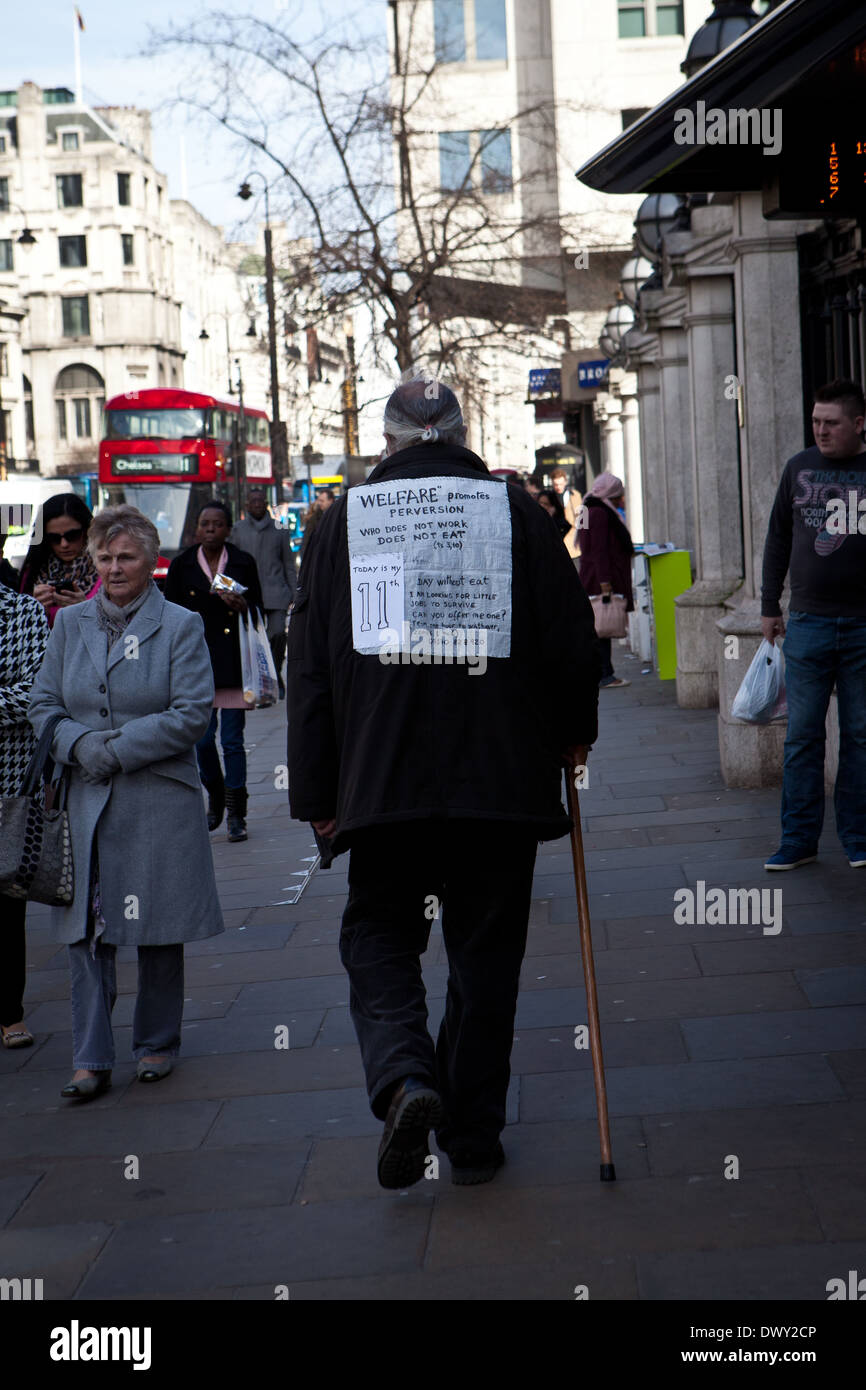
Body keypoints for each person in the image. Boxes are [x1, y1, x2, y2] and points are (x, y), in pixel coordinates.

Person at [287, 377, 600, 1189]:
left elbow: (310, 670)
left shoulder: (341, 524)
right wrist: (573, 736)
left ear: (389, 442)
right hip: (499, 780)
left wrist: (316, 796)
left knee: (379, 934)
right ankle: (472, 1136)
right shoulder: (519, 515)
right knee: (485, 955)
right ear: (461, 435)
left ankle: (406, 1077)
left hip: (384, 781)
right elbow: (571, 645)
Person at [27, 505, 223, 1099]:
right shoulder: (70, 625)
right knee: (87, 934)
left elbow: (192, 714)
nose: (113, 567)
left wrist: (111, 750)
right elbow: (42, 706)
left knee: (159, 928)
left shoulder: (182, 625)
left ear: (150, 561)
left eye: (126, 557)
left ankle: (157, 1043)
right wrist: (79, 743)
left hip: (158, 800)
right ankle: (90, 1057)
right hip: (86, 803)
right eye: (104, 557)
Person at [761, 378, 866, 872]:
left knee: (860, 735)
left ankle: (858, 837)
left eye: (832, 423)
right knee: (802, 735)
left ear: (859, 424)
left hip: (864, 626)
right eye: (816, 422)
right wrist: (768, 605)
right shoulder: (799, 468)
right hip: (807, 621)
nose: (821, 431)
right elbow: (778, 536)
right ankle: (798, 840)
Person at [163, 500, 265, 843]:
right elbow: (169, 614)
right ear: (196, 528)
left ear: (227, 529)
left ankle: (237, 813)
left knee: (232, 741)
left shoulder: (241, 562)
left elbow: (259, 609)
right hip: (196, 665)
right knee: (202, 742)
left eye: (217, 524)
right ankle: (217, 793)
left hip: (234, 663)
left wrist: (243, 605)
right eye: (205, 523)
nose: (210, 529)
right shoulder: (181, 566)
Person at [0, 527, 50, 1048]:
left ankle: (9, 1012)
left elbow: (33, 693)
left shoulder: (23, 613)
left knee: (7, 905)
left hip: (9, 784)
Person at [231, 487, 297, 700]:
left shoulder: (280, 530)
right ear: (247, 504)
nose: (257, 503)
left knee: (277, 633)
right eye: (253, 500)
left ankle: (275, 672)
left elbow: (288, 564)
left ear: (266, 503)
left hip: (276, 591)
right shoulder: (238, 530)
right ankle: (261, 679)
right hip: (247, 594)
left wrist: (294, 592)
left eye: (261, 499)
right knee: (252, 640)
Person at [578, 472, 635, 690]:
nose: (620, 497)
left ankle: (602, 672)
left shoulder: (586, 508)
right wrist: (605, 582)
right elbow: (599, 550)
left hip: (591, 576)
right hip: (600, 579)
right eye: (618, 493)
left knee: (598, 627)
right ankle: (606, 674)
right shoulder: (601, 513)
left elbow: (584, 545)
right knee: (603, 627)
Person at [19, 493, 101, 627]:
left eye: (72, 535)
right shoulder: (33, 571)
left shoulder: (105, 569)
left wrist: (88, 609)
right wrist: (31, 608)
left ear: (87, 531)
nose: (64, 544)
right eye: (54, 538)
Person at [551, 467, 582, 562]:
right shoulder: (548, 497)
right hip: (555, 543)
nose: (558, 487)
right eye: (556, 484)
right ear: (552, 483)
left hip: (572, 543)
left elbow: (583, 519)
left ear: (565, 482)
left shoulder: (575, 495)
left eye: (560, 484)